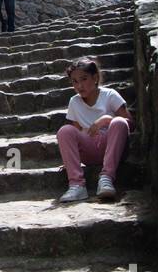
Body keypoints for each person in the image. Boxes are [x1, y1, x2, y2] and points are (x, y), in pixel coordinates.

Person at [56, 56, 131, 202]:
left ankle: (106, 178)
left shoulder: (110, 95)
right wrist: (69, 160)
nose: (79, 86)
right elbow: (75, 132)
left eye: (84, 79)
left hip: (113, 148)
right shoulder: (74, 101)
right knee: (65, 130)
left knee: (119, 122)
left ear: (95, 77)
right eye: (75, 82)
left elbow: (130, 124)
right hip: (90, 151)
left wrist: (107, 120)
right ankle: (77, 185)